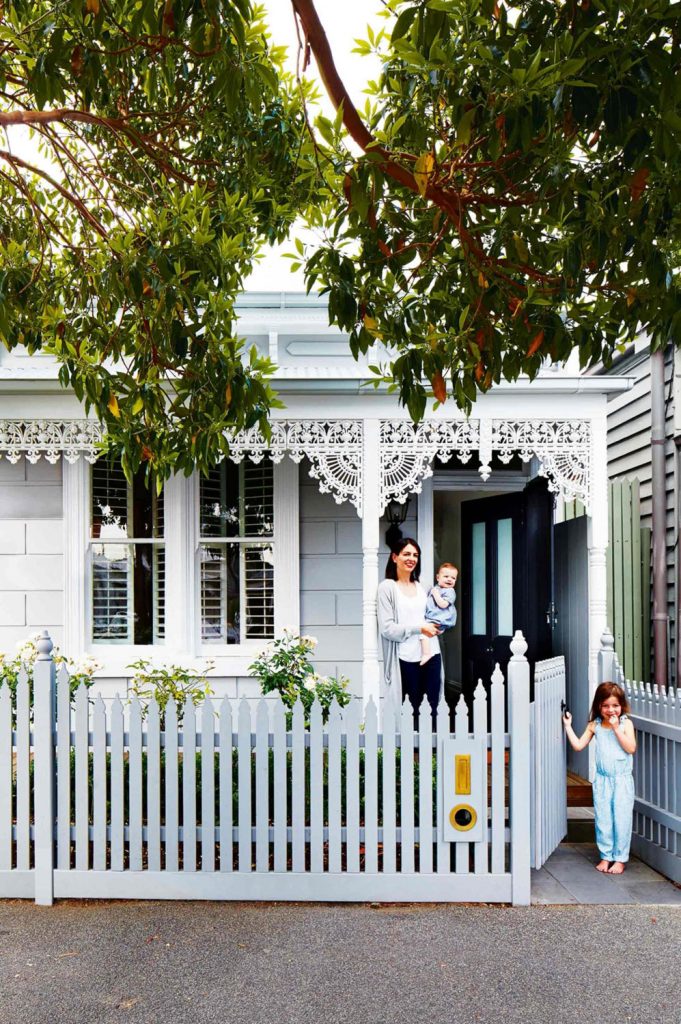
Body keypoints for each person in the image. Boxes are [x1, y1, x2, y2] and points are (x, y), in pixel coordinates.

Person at [563, 682, 636, 875]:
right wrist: (568, 726)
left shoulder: (625, 723)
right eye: (606, 706)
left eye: (615, 706)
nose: (611, 710)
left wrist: (616, 729)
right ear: (599, 706)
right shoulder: (594, 725)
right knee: (604, 819)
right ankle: (606, 856)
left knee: (621, 819)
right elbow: (578, 746)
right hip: (602, 781)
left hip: (621, 781)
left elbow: (631, 748)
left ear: (621, 706)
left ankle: (620, 859)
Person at [377, 536, 442, 719]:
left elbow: (437, 617)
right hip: (405, 658)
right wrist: (420, 629)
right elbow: (388, 629)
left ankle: (431, 748)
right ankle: (411, 749)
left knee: (432, 709)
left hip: (432, 654)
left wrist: (439, 626)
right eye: (406, 554)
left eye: (415, 555)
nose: (411, 558)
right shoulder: (387, 588)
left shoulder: (424, 587)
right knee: (410, 711)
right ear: (394, 557)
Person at [420, 562, 458, 665]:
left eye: (453, 578)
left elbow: (443, 605)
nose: (450, 579)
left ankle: (426, 653)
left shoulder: (450, 591)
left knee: (424, 635)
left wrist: (436, 595)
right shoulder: (437, 588)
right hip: (435, 618)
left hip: (439, 619)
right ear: (438, 577)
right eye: (446, 576)